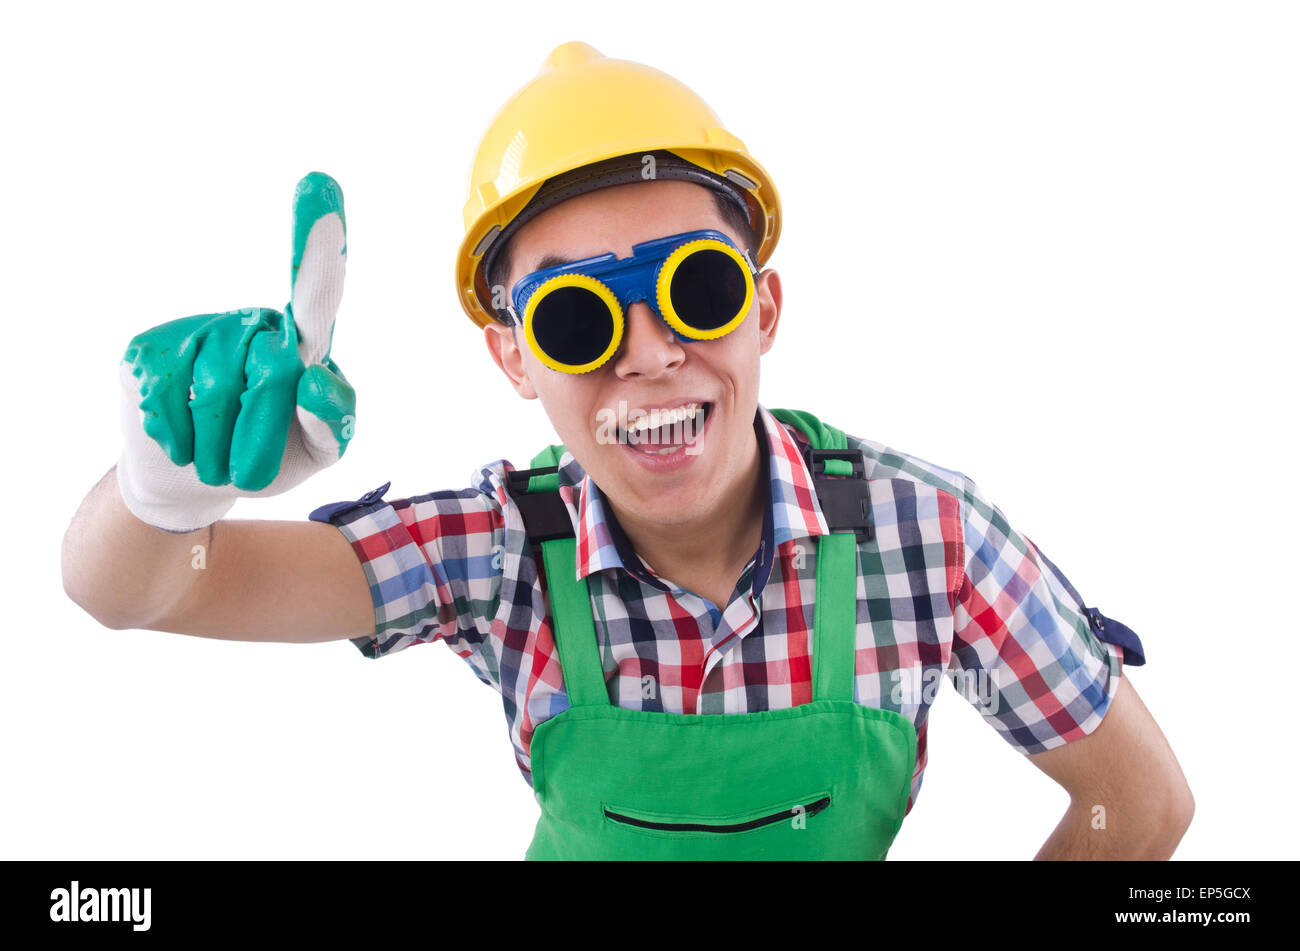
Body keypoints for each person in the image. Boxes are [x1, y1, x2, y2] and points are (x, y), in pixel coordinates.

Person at [62, 41, 1193, 859]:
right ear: (515, 361)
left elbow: (1136, 807)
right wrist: (163, 498)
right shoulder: (496, 550)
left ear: (762, 309)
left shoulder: (927, 540)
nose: (651, 355)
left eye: (695, 290)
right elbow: (137, 592)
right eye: (577, 319)